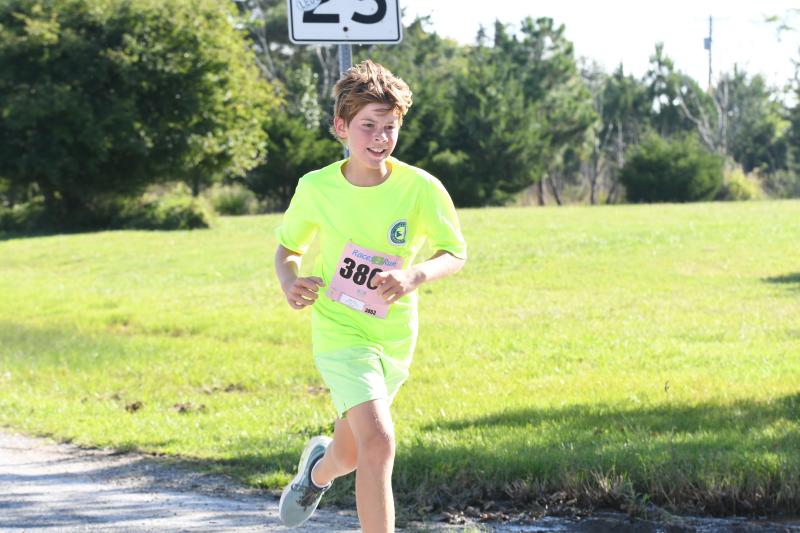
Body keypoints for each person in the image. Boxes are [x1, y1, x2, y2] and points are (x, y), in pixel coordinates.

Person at [274, 59, 466, 533]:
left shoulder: (420, 188)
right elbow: (288, 248)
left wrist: (413, 276)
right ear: (341, 127)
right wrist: (289, 281)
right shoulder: (316, 187)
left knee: (353, 451)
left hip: (394, 335)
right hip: (339, 328)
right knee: (379, 442)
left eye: (390, 127)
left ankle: (316, 473)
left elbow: (454, 252)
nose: (380, 138)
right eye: (368, 126)